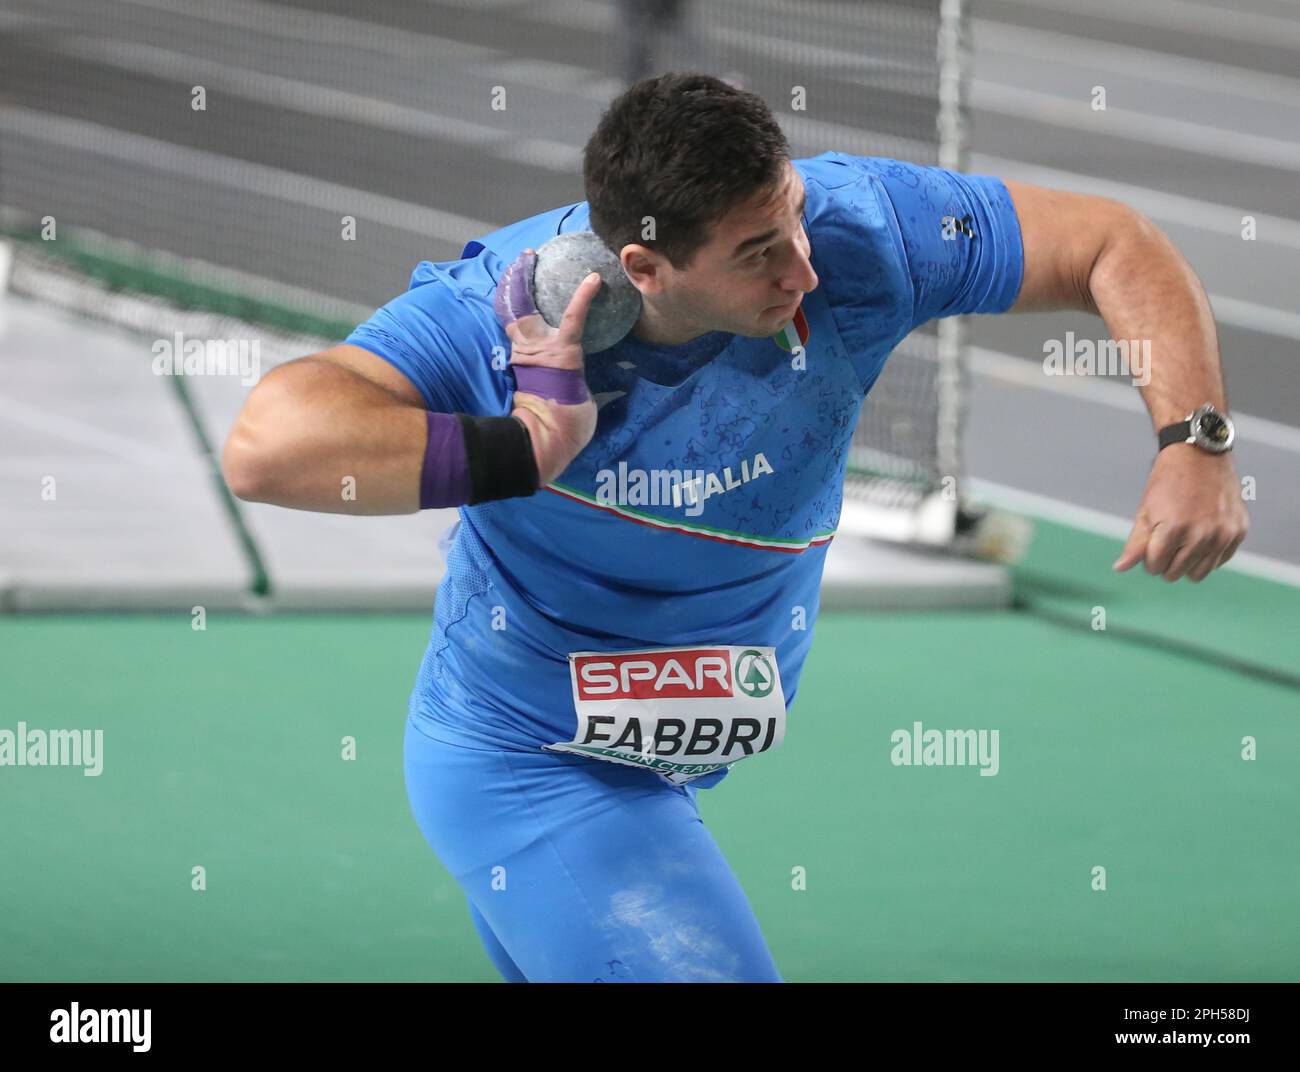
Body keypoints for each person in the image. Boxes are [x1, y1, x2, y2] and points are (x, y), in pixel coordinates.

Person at [221, 73, 1249, 982]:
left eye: (793, 218)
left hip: (655, 760)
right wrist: (528, 447)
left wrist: (1193, 442)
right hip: (526, 761)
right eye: (758, 252)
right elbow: (267, 446)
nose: (801, 269)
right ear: (645, 266)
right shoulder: (511, 318)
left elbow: (1113, 242)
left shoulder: (863, 235)